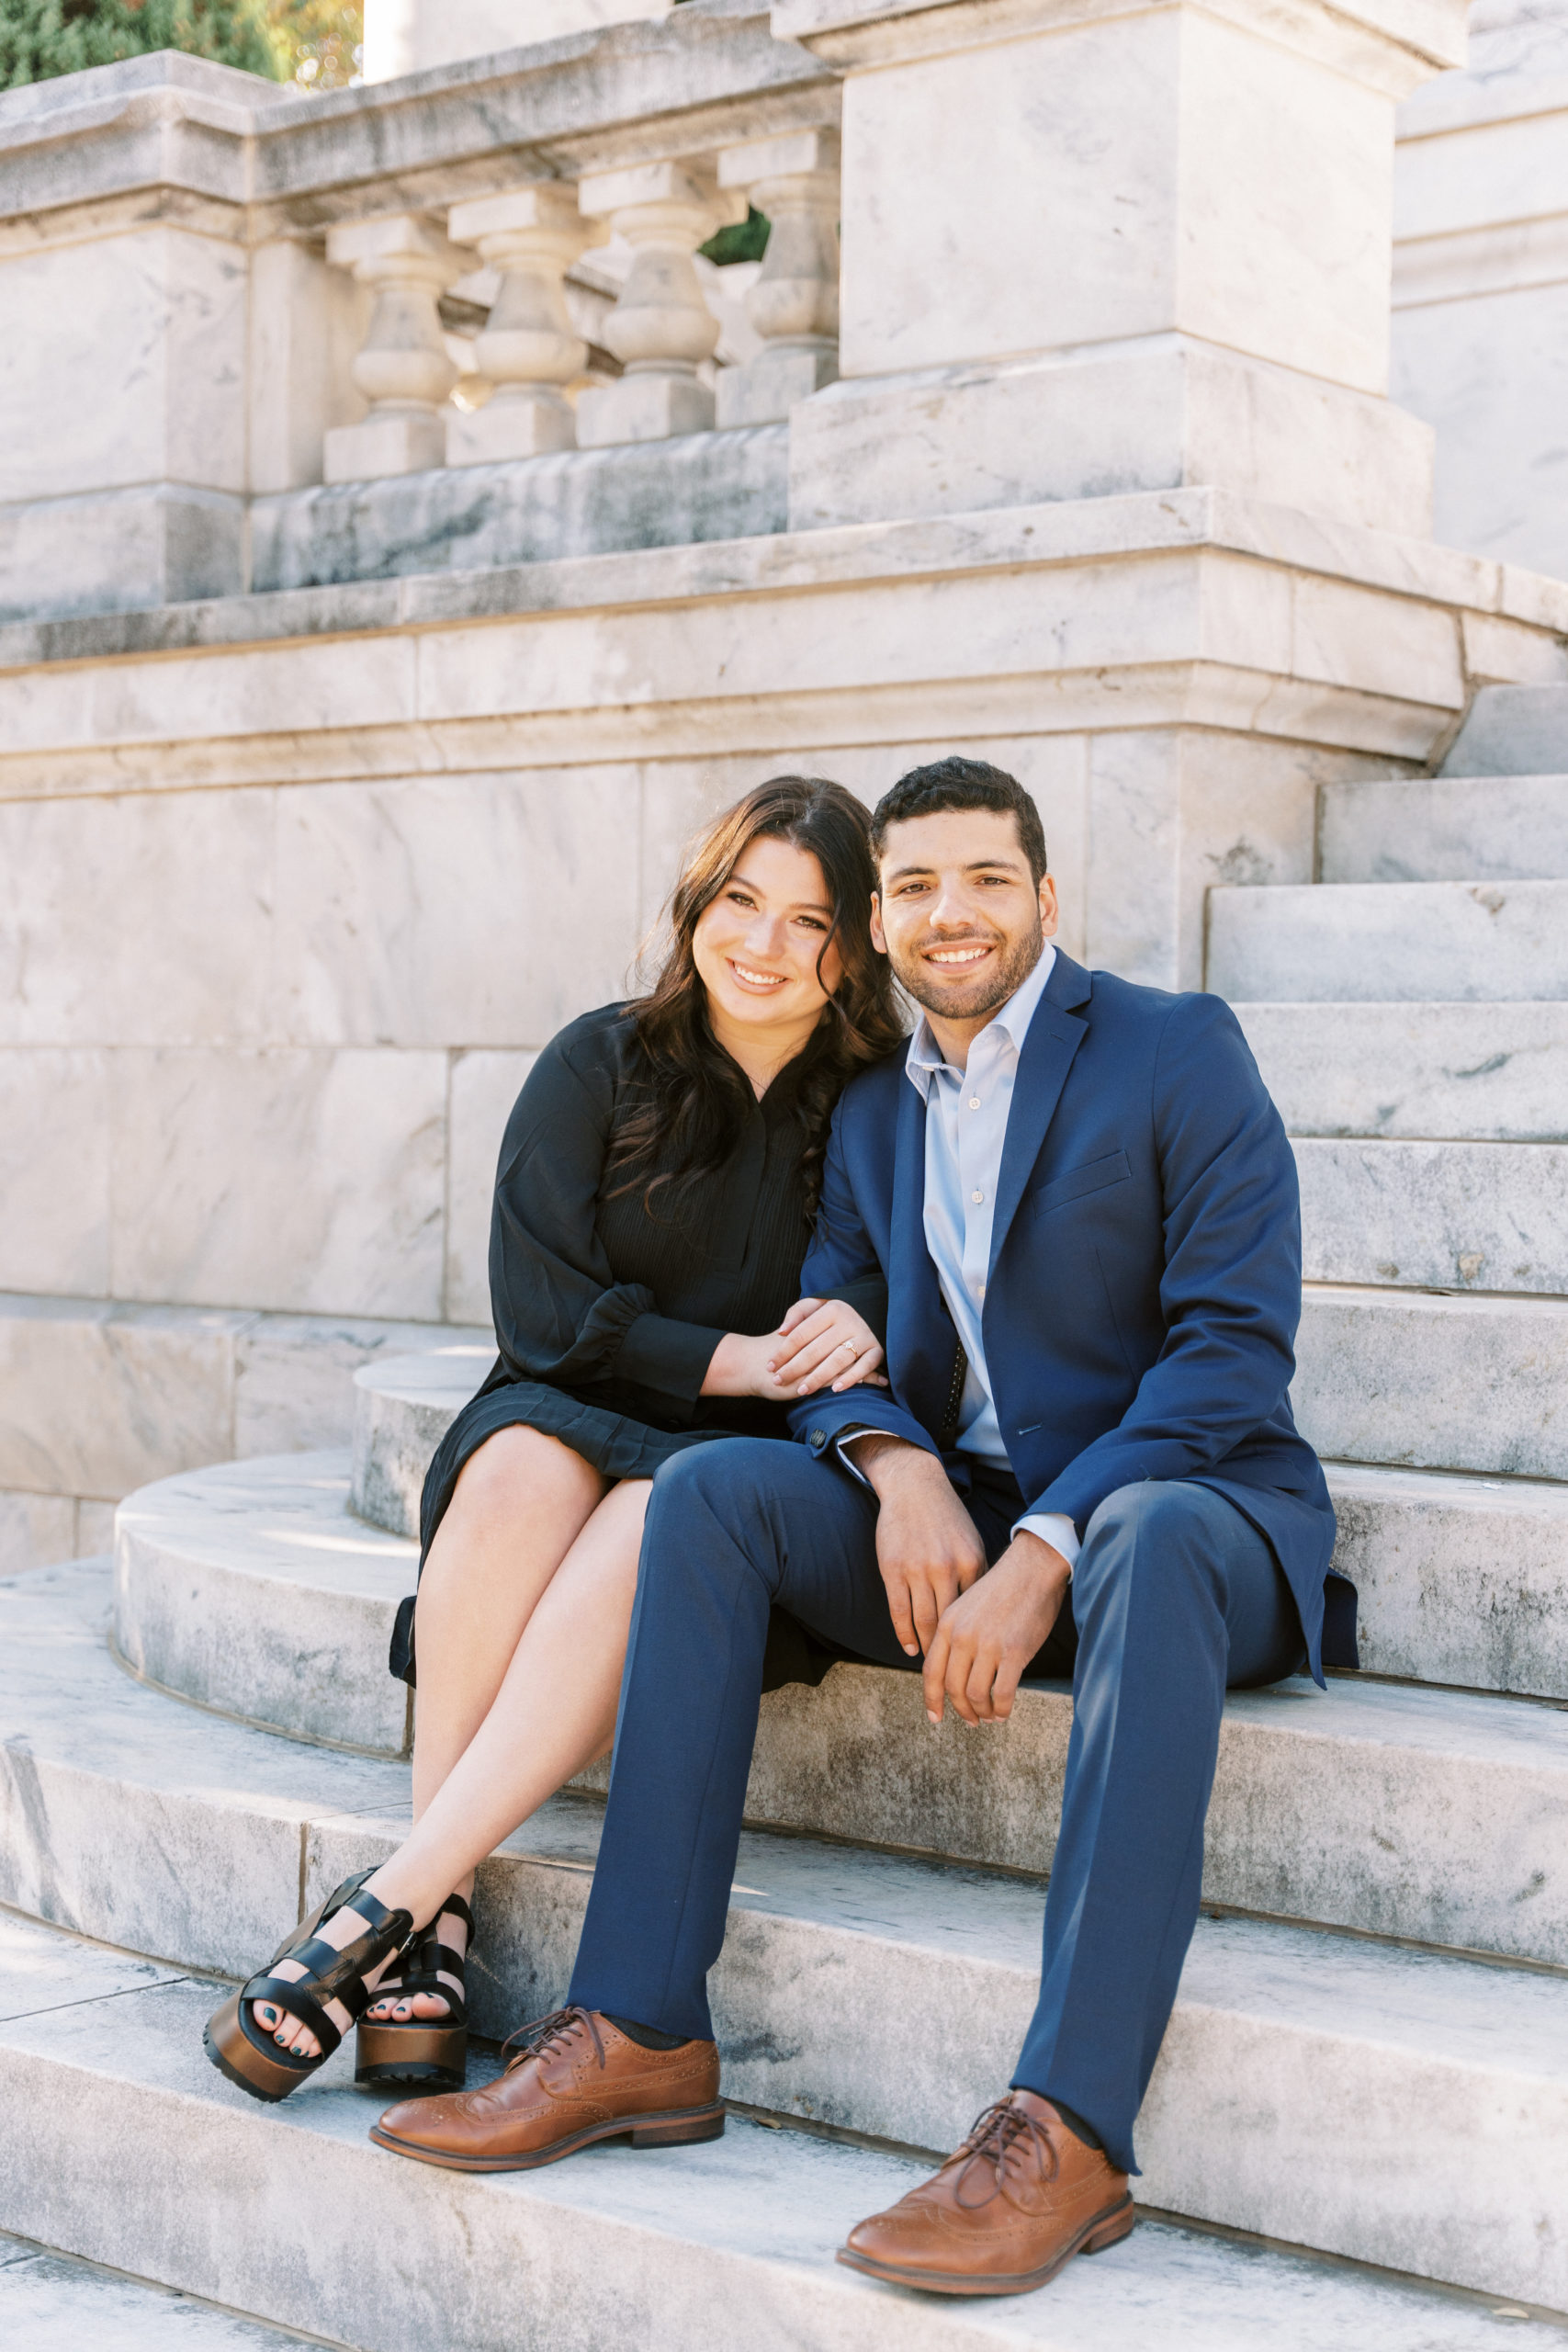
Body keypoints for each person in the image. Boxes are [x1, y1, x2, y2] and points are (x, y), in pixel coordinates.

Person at [367, 753, 1353, 2301]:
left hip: (1189, 1527)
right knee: (705, 1490)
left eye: (984, 879)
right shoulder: (878, 1112)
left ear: (1044, 894)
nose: (949, 914)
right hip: (954, 1515)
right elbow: (836, 1336)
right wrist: (892, 1465)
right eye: (912, 888)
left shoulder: (1177, 1050)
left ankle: (1069, 2126)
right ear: (878, 930)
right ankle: (638, 2030)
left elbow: (1229, 1357)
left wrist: (1044, 1548)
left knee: (1149, 1531)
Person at [203, 775, 905, 2106]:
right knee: (524, 1459)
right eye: (741, 902)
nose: (763, 946)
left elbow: (889, 1292)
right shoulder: (602, 1058)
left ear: (856, 947)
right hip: (570, 1395)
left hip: (727, 1467)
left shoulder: (869, 1106)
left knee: (667, 1505)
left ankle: (393, 1913)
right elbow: (539, 1310)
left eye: (810, 922)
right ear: (699, 902)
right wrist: (727, 1355)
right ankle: (441, 1915)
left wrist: (841, 1344)